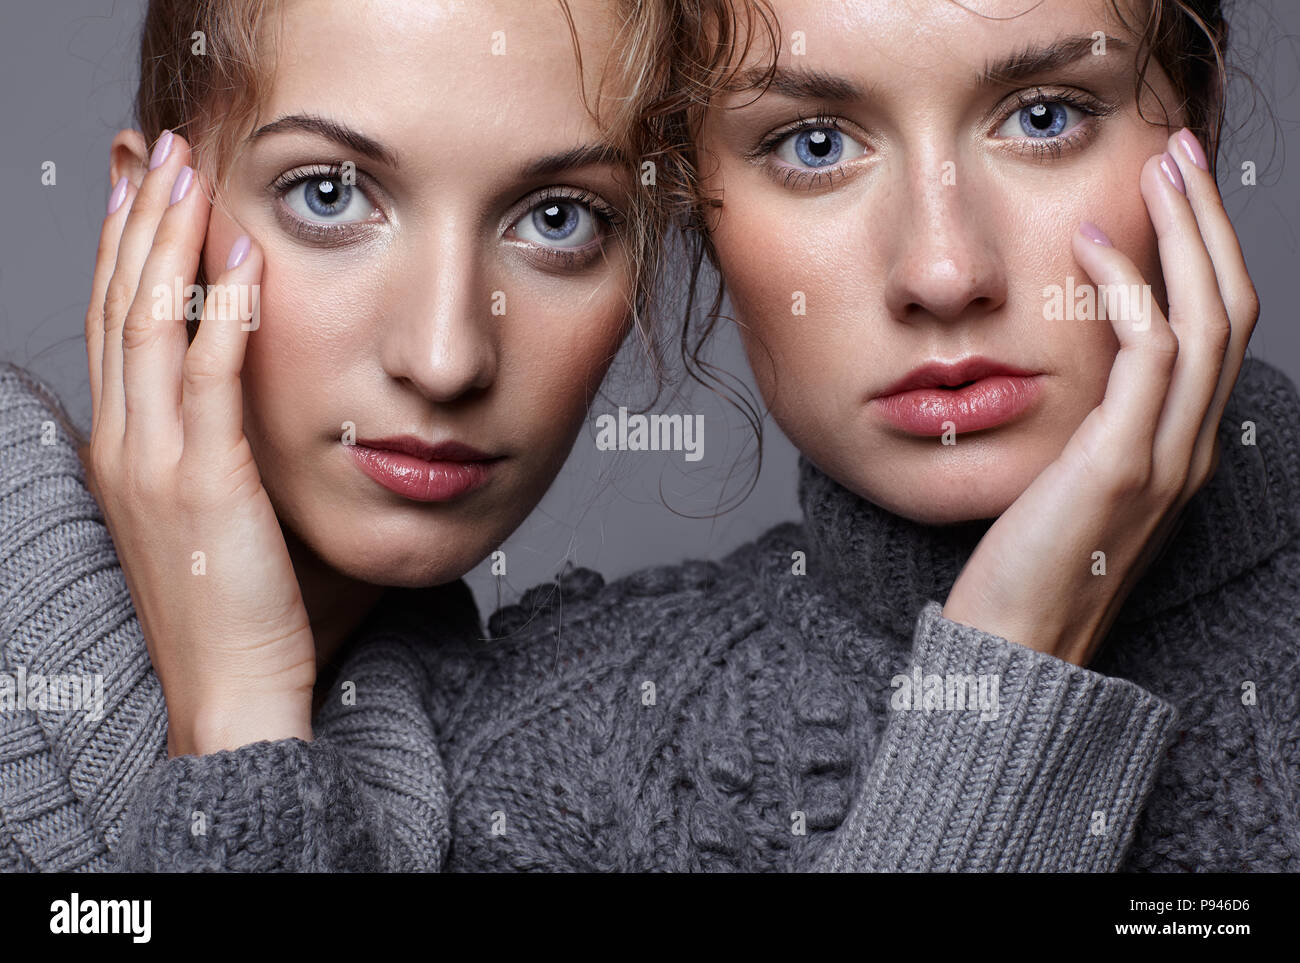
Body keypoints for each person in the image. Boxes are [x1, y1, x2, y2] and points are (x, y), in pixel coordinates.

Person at [37, 0, 1300, 873]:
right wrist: (1011, 680)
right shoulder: (540, 759)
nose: (943, 268)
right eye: (814, 142)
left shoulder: (422, 742)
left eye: (1042, 115)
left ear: (1191, 114)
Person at [0, 0, 671, 871]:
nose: (444, 357)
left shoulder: (543, 791)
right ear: (149, 213)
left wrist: (242, 720)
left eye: (558, 218)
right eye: (329, 192)